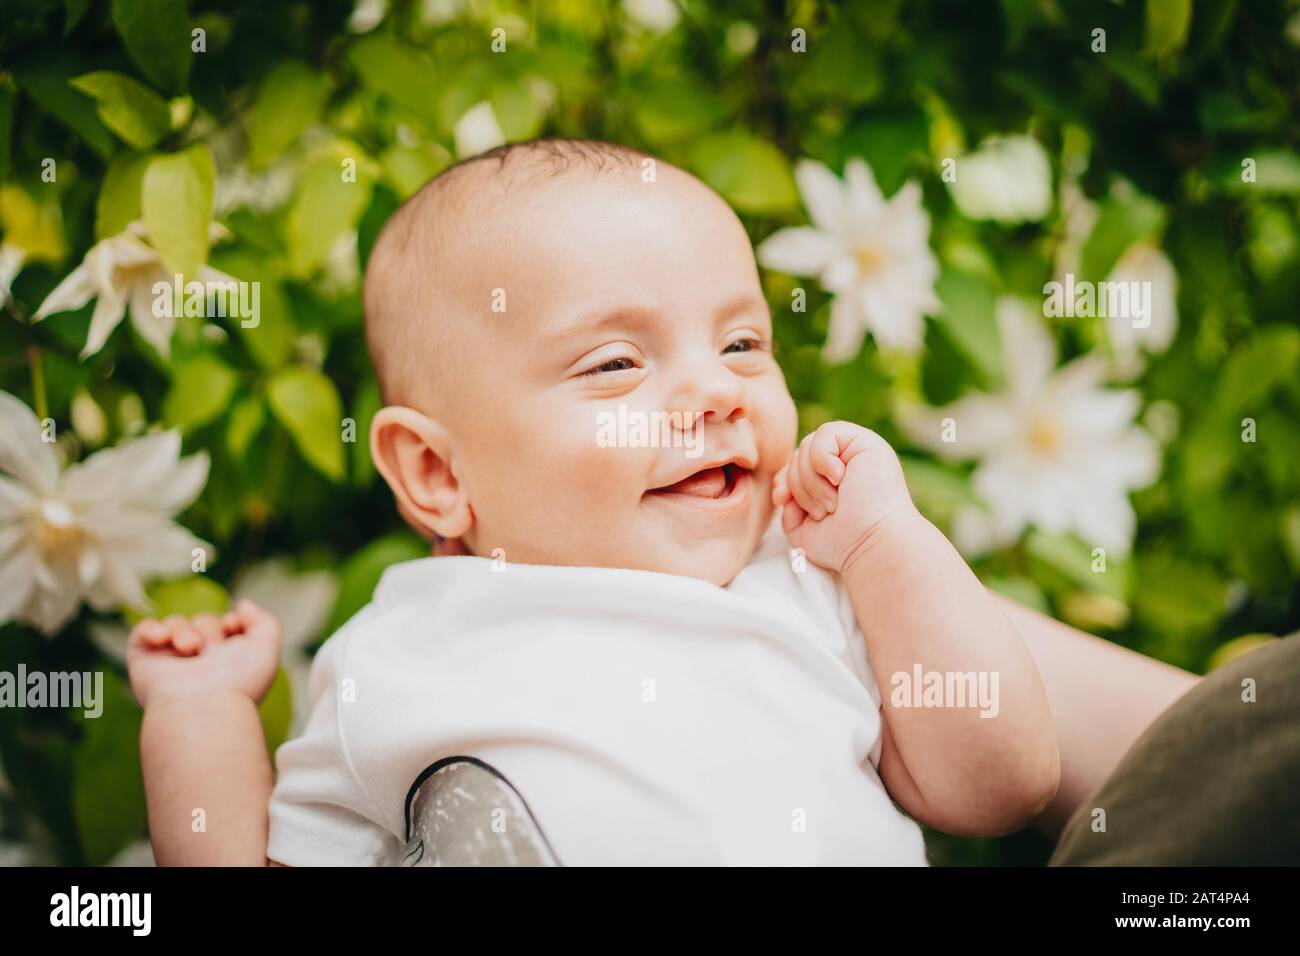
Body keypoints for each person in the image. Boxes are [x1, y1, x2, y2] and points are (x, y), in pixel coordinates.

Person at [127, 139, 1192, 866]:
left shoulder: (809, 595)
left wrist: (890, 548)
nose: (717, 388)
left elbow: (1000, 783)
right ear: (439, 475)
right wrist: (200, 716)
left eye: (741, 343)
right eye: (614, 363)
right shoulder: (397, 655)